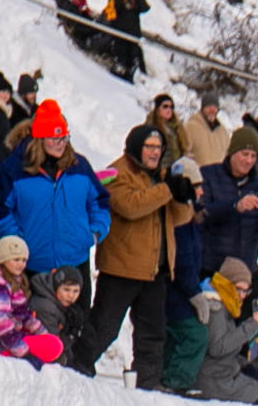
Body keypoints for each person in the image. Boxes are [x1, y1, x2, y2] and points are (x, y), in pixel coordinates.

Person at [75, 125, 196, 386]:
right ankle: (77, 369)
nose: (154, 153)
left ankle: (147, 388)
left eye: (158, 147)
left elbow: (180, 219)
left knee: (152, 336)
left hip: (155, 270)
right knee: (104, 327)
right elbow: (131, 206)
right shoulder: (117, 173)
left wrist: (183, 198)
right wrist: (167, 190)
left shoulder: (160, 177)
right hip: (122, 268)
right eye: (149, 147)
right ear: (135, 147)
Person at [0, 102, 108, 285]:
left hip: (76, 264)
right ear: (39, 138)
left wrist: (92, 233)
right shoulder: (14, 169)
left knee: (79, 314)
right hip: (30, 267)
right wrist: (18, 244)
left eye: (64, 137)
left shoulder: (79, 166)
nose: (61, 143)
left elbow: (99, 202)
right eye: (55, 138)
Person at [199, 126, 258, 279]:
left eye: (253, 156)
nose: (249, 160)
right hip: (210, 269)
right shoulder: (208, 175)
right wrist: (234, 206)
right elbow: (201, 214)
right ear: (232, 152)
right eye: (244, 154)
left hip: (245, 272)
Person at [190, 257, 258, 404]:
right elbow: (218, 348)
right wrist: (251, 325)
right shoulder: (216, 309)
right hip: (215, 381)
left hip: (224, 374)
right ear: (227, 284)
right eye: (239, 289)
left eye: (245, 291)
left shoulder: (227, 307)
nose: (242, 295)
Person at [0, 236, 52, 363]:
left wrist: (44, 334)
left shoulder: (14, 281)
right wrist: (23, 352)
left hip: (7, 338)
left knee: (52, 344)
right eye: (16, 259)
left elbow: (23, 314)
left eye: (24, 260)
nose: (21, 264)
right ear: (3, 259)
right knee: (51, 347)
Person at [102, 0, 149, 82]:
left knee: (135, 60)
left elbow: (145, 8)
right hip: (120, 33)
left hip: (134, 34)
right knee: (121, 60)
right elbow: (115, 8)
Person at [181, 93, 232, 167]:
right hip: (198, 177)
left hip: (218, 177)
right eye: (208, 106)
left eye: (215, 107)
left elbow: (228, 156)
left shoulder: (223, 131)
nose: (212, 110)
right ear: (202, 108)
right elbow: (182, 153)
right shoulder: (190, 127)